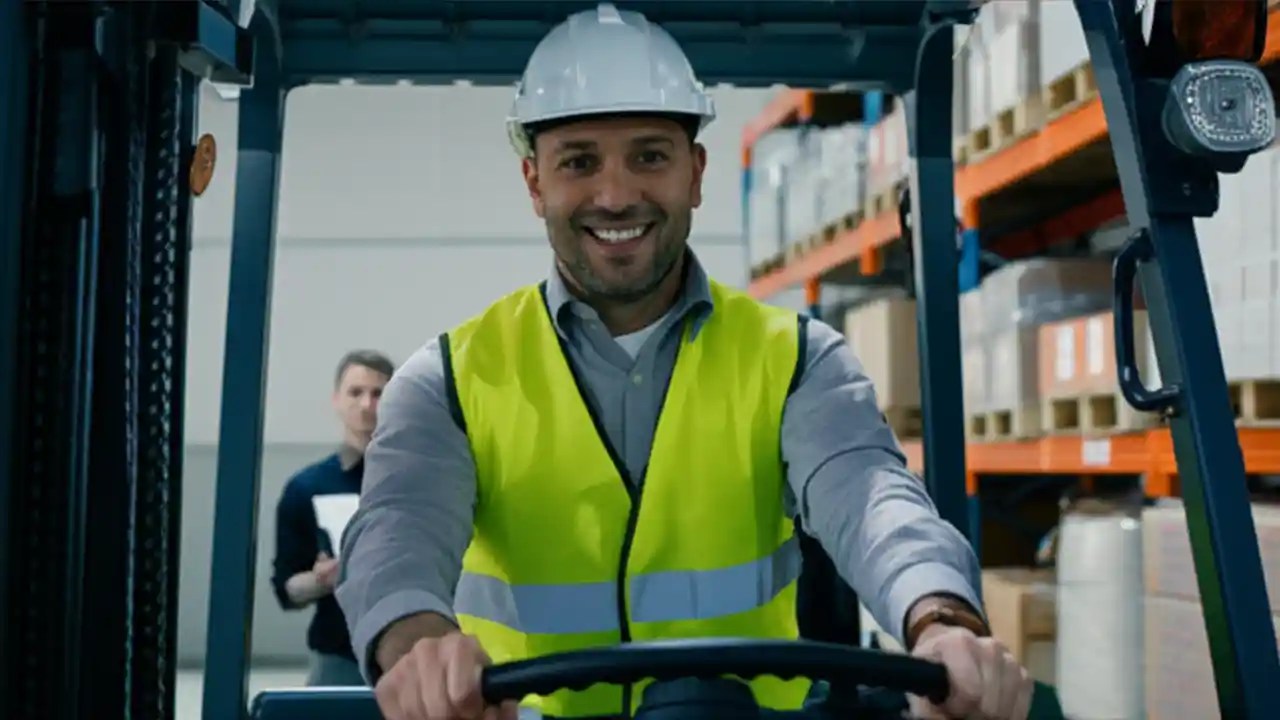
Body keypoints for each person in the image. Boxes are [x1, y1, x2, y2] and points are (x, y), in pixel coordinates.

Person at [337, 4, 1033, 719]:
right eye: (579, 161)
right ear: (535, 183)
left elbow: (872, 498)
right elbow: (398, 526)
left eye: (649, 155)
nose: (615, 195)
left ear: (695, 173)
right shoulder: (449, 379)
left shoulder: (796, 359)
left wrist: (940, 621)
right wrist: (417, 645)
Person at [271, 349, 395, 687]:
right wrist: (322, 580)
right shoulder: (307, 487)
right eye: (356, 392)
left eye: (378, 393)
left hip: (410, 654)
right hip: (338, 657)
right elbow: (286, 588)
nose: (367, 405)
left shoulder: (419, 482)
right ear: (336, 400)